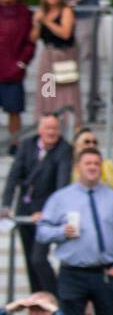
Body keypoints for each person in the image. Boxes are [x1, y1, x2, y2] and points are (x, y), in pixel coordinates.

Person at [36, 148, 113, 315]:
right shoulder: (61, 198)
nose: (93, 167)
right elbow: (42, 231)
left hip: (105, 272)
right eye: (88, 163)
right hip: (72, 273)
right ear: (78, 167)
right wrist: (62, 231)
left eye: (97, 164)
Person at [1, 114, 69, 295]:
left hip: (47, 211)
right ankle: (36, 299)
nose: (51, 132)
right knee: (30, 259)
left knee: (38, 258)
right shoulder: (27, 145)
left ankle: (55, 298)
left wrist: (48, 213)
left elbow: (62, 185)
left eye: (55, 128)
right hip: (25, 208)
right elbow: (13, 176)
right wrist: (6, 206)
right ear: (40, 129)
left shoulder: (64, 149)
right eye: (48, 128)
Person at [32, 0, 82, 127]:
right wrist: (36, 23)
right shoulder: (43, 12)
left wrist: (46, 21)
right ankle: (48, 123)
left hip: (64, 57)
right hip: (48, 58)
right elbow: (33, 38)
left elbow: (65, 33)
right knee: (48, 93)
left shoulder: (66, 11)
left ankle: (70, 126)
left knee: (67, 95)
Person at [0, 0, 33, 142]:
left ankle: (15, 144)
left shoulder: (24, 13)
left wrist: (22, 63)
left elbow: (30, 41)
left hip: (14, 71)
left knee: (14, 110)